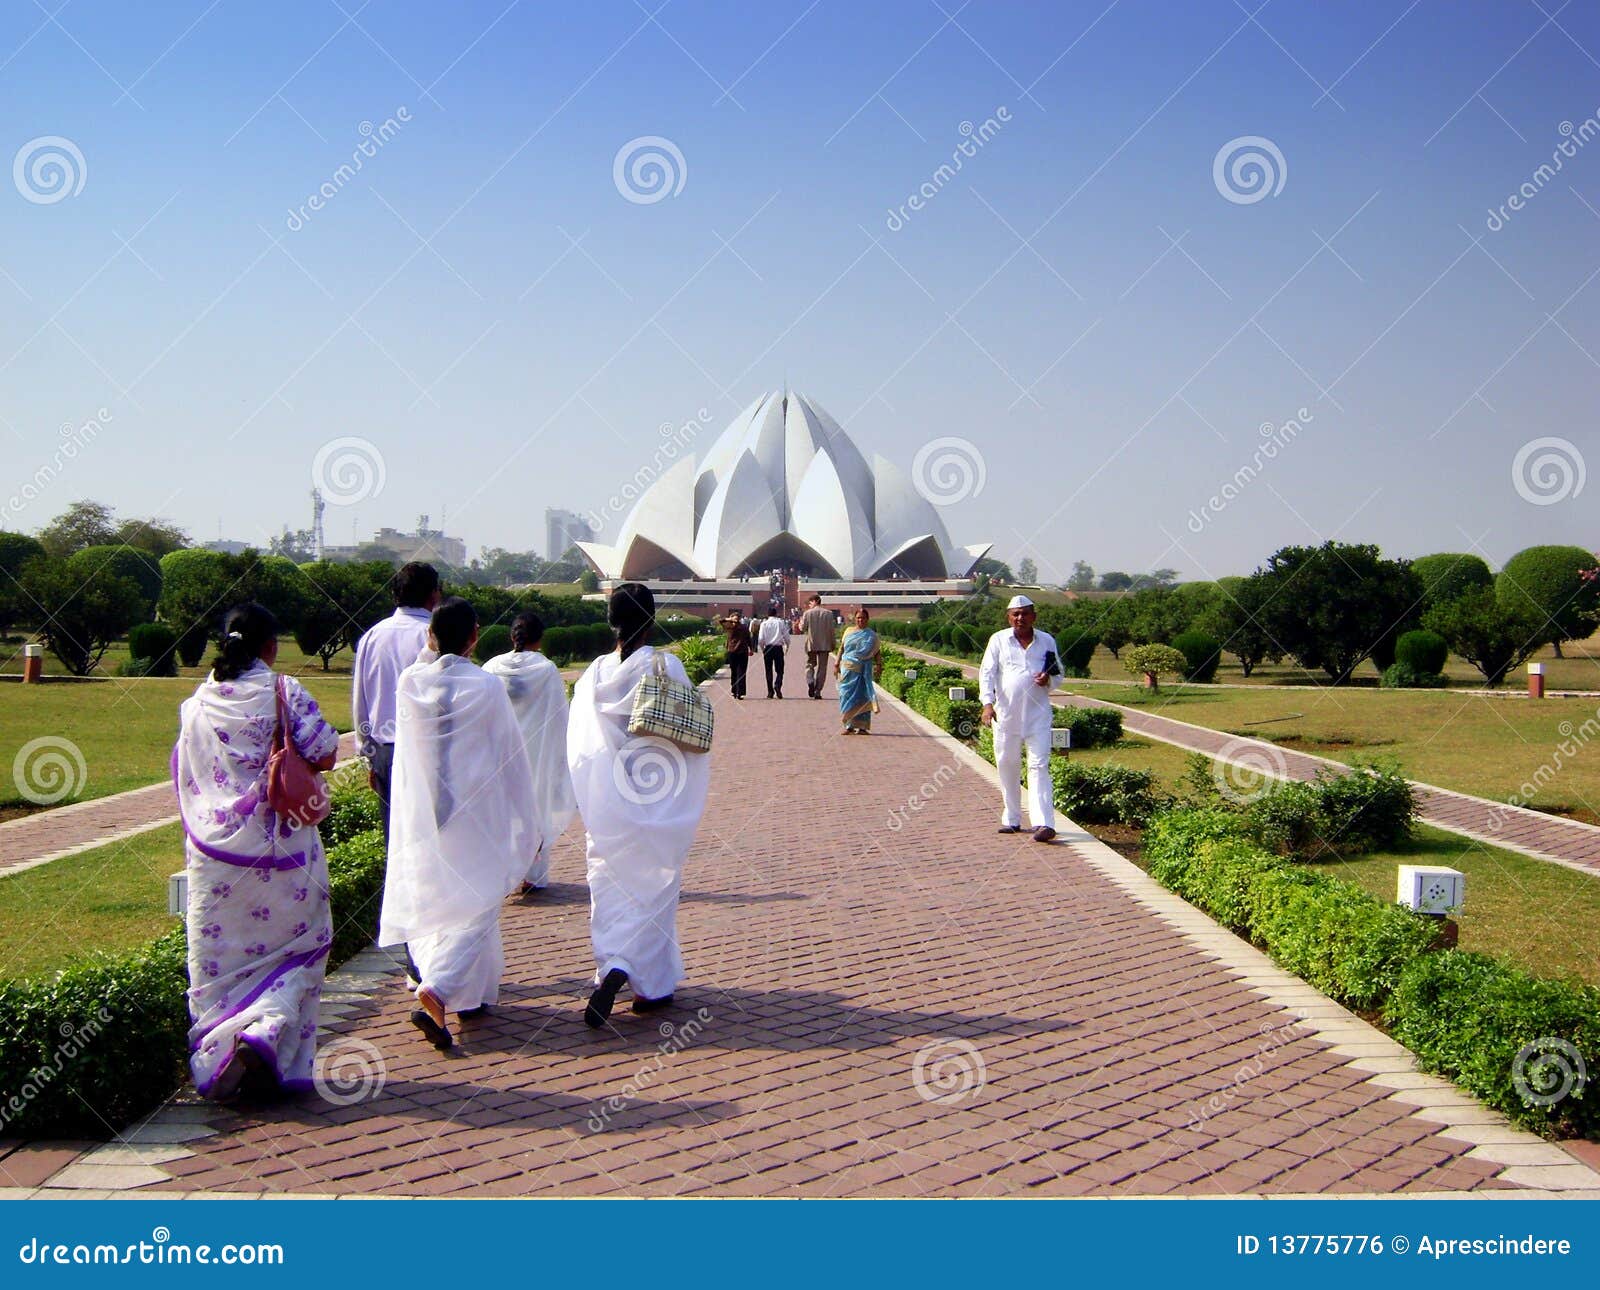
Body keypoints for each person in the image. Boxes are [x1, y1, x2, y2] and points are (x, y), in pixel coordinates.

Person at [174, 602, 341, 1101]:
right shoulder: (283, 691)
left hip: (213, 862)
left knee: (218, 969)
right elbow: (326, 751)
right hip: (283, 853)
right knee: (306, 948)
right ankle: (266, 1032)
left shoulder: (196, 703)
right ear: (270, 646)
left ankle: (223, 1053)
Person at [378, 598, 541, 1050]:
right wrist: (526, 817)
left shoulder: (411, 682)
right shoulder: (485, 686)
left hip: (427, 812)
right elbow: (510, 755)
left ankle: (466, 992)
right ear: (474, 636)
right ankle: (441, 984)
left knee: (439, 897)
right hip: (476, 811)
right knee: (481, 899)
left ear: (430, 636)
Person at [568, 583, 710, 1027]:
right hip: (656, 800)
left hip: (607, 806)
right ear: (651, 619)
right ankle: (643, 981)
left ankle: (611, 962)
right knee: (656, 886)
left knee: (608, 886)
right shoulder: (665, 666)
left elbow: (579, 748)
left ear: (611, 620)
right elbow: (690, 737)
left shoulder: (592, 675)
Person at [482, 610, 576, 895]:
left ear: (512, 636)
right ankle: (532, 875)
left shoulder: (491, 667)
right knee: (534, 813)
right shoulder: (546, 670)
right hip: (536, 753)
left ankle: (503, 873)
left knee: (503, 814)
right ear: (540, 638)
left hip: (500, 753)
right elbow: (559, 716)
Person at [352, 562, 440, 841]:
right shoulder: (433, 635)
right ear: (434, 594)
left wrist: (367, 754)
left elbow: (360, 700)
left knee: (395, 840)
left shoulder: (372, 636)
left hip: (384, 751)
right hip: (426, 749)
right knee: (431, 840)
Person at [979, 595, 1062, 842]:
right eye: (1015, 614)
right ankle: (1012, 818)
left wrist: (1048, 679)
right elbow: (987, 673)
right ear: (1008, 617)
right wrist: (987, 704)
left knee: (1039, 765)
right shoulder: (998, 640)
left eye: (1025, 613)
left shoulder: (1046, 641)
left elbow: (1058, 673)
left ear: (1033, 616)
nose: (1020, 618)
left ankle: (1043, 823)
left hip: (1038, 716)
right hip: (1006, 716)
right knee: (1007, 764)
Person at [834, 607, 882, 734]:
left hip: (863, 670)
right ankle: (849, 726)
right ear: (855, 619)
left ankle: (862, 727)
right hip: (848, 669)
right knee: (846, 695)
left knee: (862, 696)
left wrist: (879, 665)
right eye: (858, 618)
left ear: (867, 619)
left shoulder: (871, 635)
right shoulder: (848, 631)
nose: (861, 620)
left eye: (863, 618)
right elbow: (841, 648)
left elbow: (877, 651)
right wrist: (836, 663)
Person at [799, 593, 837, 699]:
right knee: (822, 668)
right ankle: (818, 691)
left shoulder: (808, 613)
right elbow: (831, 631)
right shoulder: (829, 614)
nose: (809, 605)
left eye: (810, 603)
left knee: (810, 665)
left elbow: (802, 628)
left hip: (812, 644)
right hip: (825, 644)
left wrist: (800, 623)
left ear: (814, 601)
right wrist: (833, 643)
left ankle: (810, 681)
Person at [757, 608, 790, 698]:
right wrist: (787, 645)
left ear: (768, 614)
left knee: (768, 670)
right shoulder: (780, 622)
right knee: (780, 670)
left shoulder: (764, 624)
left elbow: (760, 639)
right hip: (778, 648)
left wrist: (762, 648)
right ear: (776, 614)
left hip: (768, 647)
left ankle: (770, 692)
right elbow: (786, 636)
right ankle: (778, 685)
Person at [723, 612, 754, 700]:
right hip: (742, 651)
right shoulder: (743, 627)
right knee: (741, 672)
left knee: (734, 672)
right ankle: (740, 692)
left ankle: (734, 691)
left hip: (732, 651)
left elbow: (721, 621)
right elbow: (748, 638)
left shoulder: (729, 627)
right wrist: (751, 648)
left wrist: (729, 619)